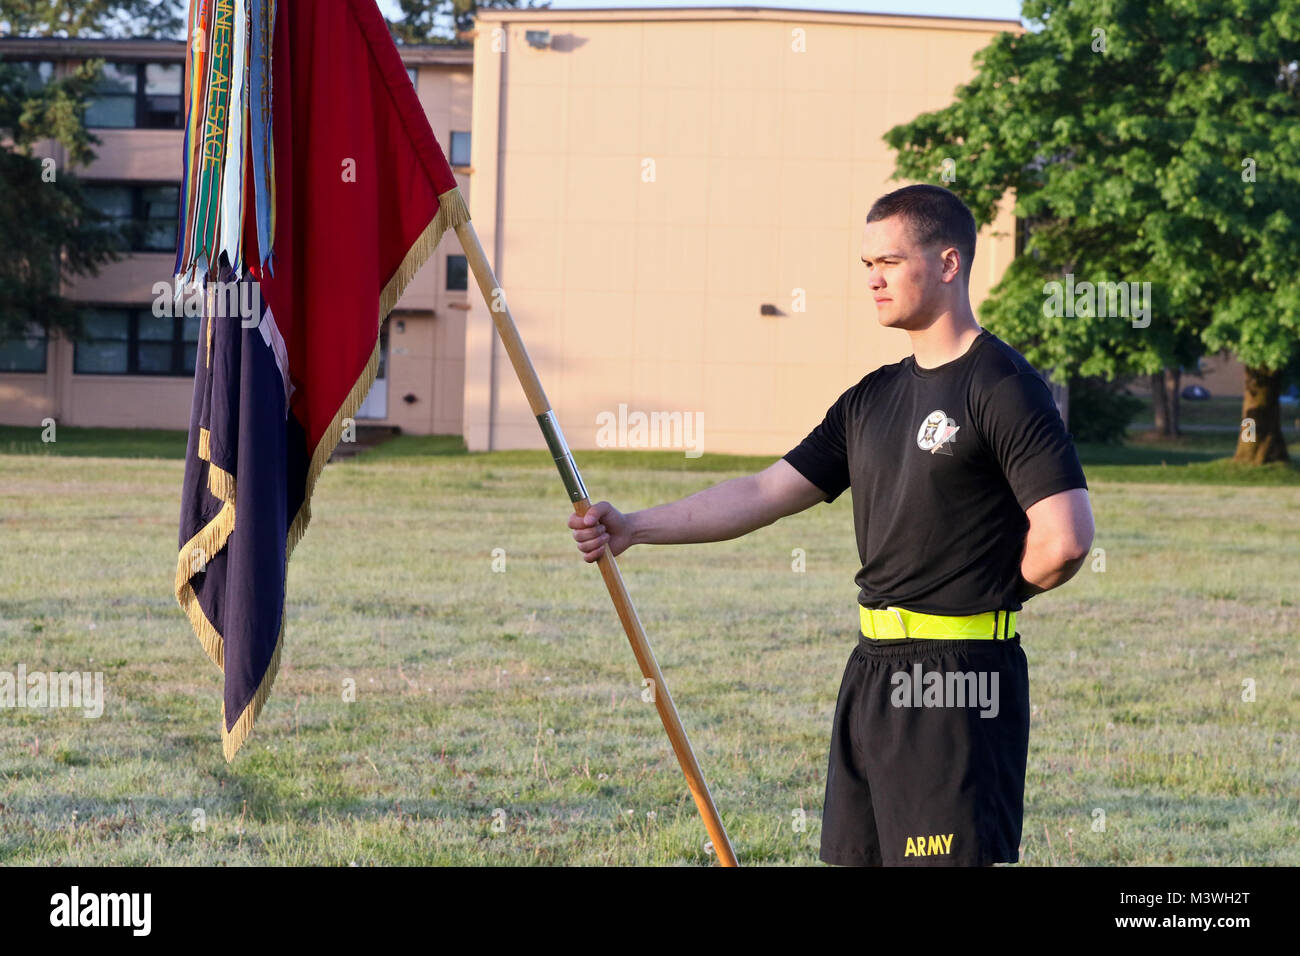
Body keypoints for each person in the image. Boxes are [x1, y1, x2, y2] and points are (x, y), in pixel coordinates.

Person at [567, 183, 1094, 867]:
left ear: (948, 263)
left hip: (958, 679)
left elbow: (1065, 538)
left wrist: (982, 588)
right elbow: (763, 490)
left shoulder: (1002, 386)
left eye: (890, 262)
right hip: (872, 671)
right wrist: (634, 527)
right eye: (866, 264)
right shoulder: (872, 397)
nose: (872, 279)